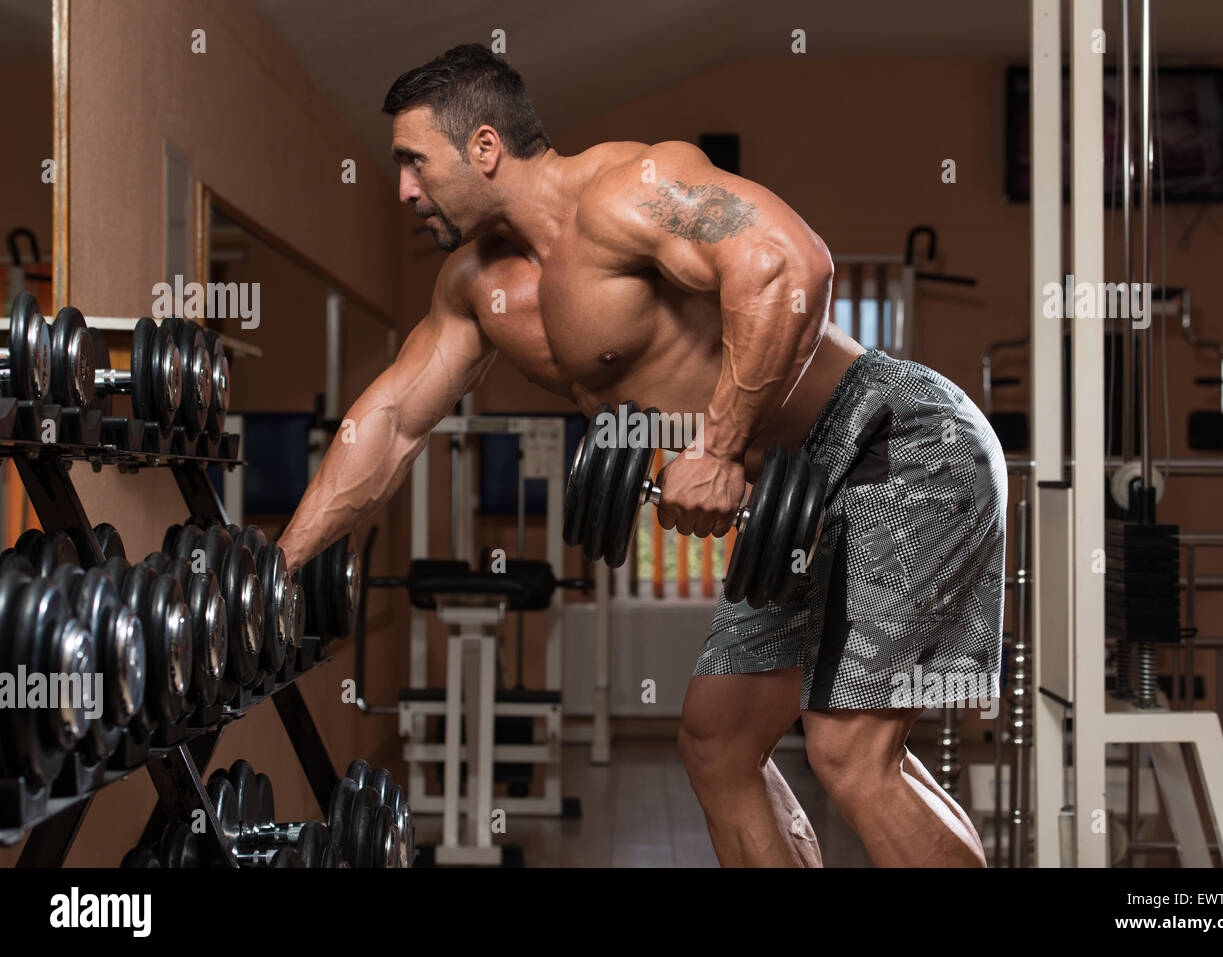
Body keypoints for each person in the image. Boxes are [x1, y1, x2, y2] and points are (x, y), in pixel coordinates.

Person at [278, 43, 1006, 867]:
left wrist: (721, 446)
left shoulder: (631, 191)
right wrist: (284, 564)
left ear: (483, 148)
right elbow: (390, 422)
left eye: (414, 161)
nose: (404, 188)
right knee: (718, 742)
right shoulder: (476, 289)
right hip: (796, 501)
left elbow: (785, 263)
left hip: (896, 439)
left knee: (848, 752)